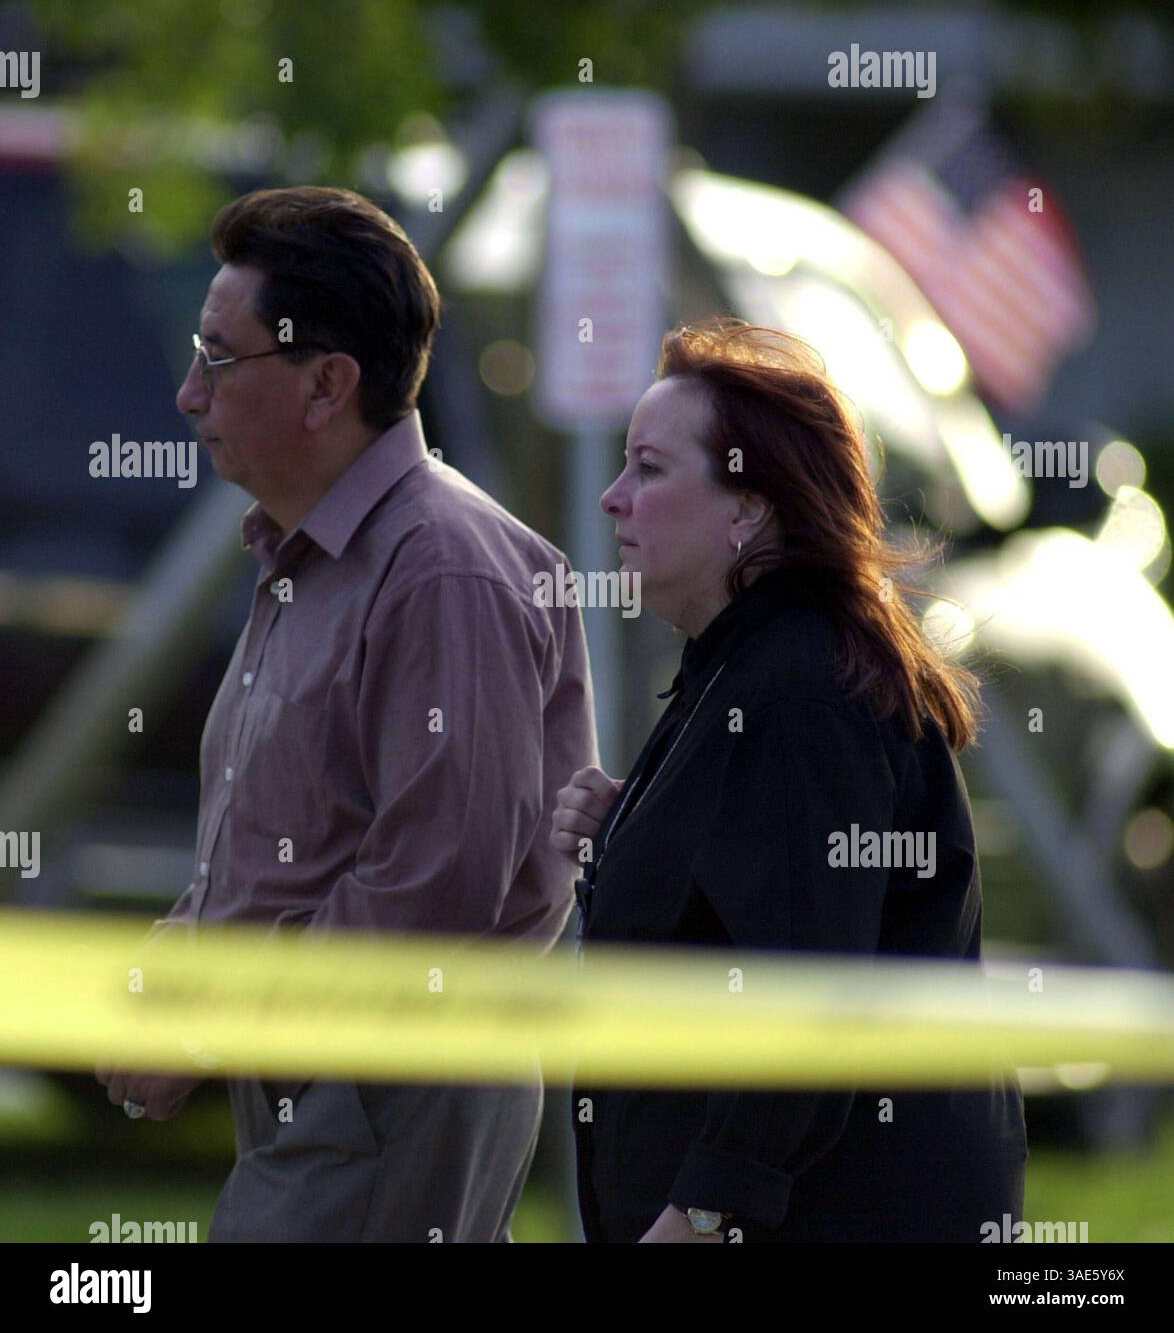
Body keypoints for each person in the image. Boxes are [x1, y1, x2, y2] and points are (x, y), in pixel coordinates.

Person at [96, 185, 598, 1242]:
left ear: (327, 384)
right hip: (339, 1084)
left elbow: (436, 882)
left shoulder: (442, 571)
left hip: (391, 1076)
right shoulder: (315, 551)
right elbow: (288, 847)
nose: (189, 394)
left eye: (219, 359)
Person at [553, 318, 1028, 1244]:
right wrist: (634, 831)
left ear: (749, 509)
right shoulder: (745, 663)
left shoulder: (804, 687)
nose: (613, 499)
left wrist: (698, 1215)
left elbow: (812, 992)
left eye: (649, 469)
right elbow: (759, 897)